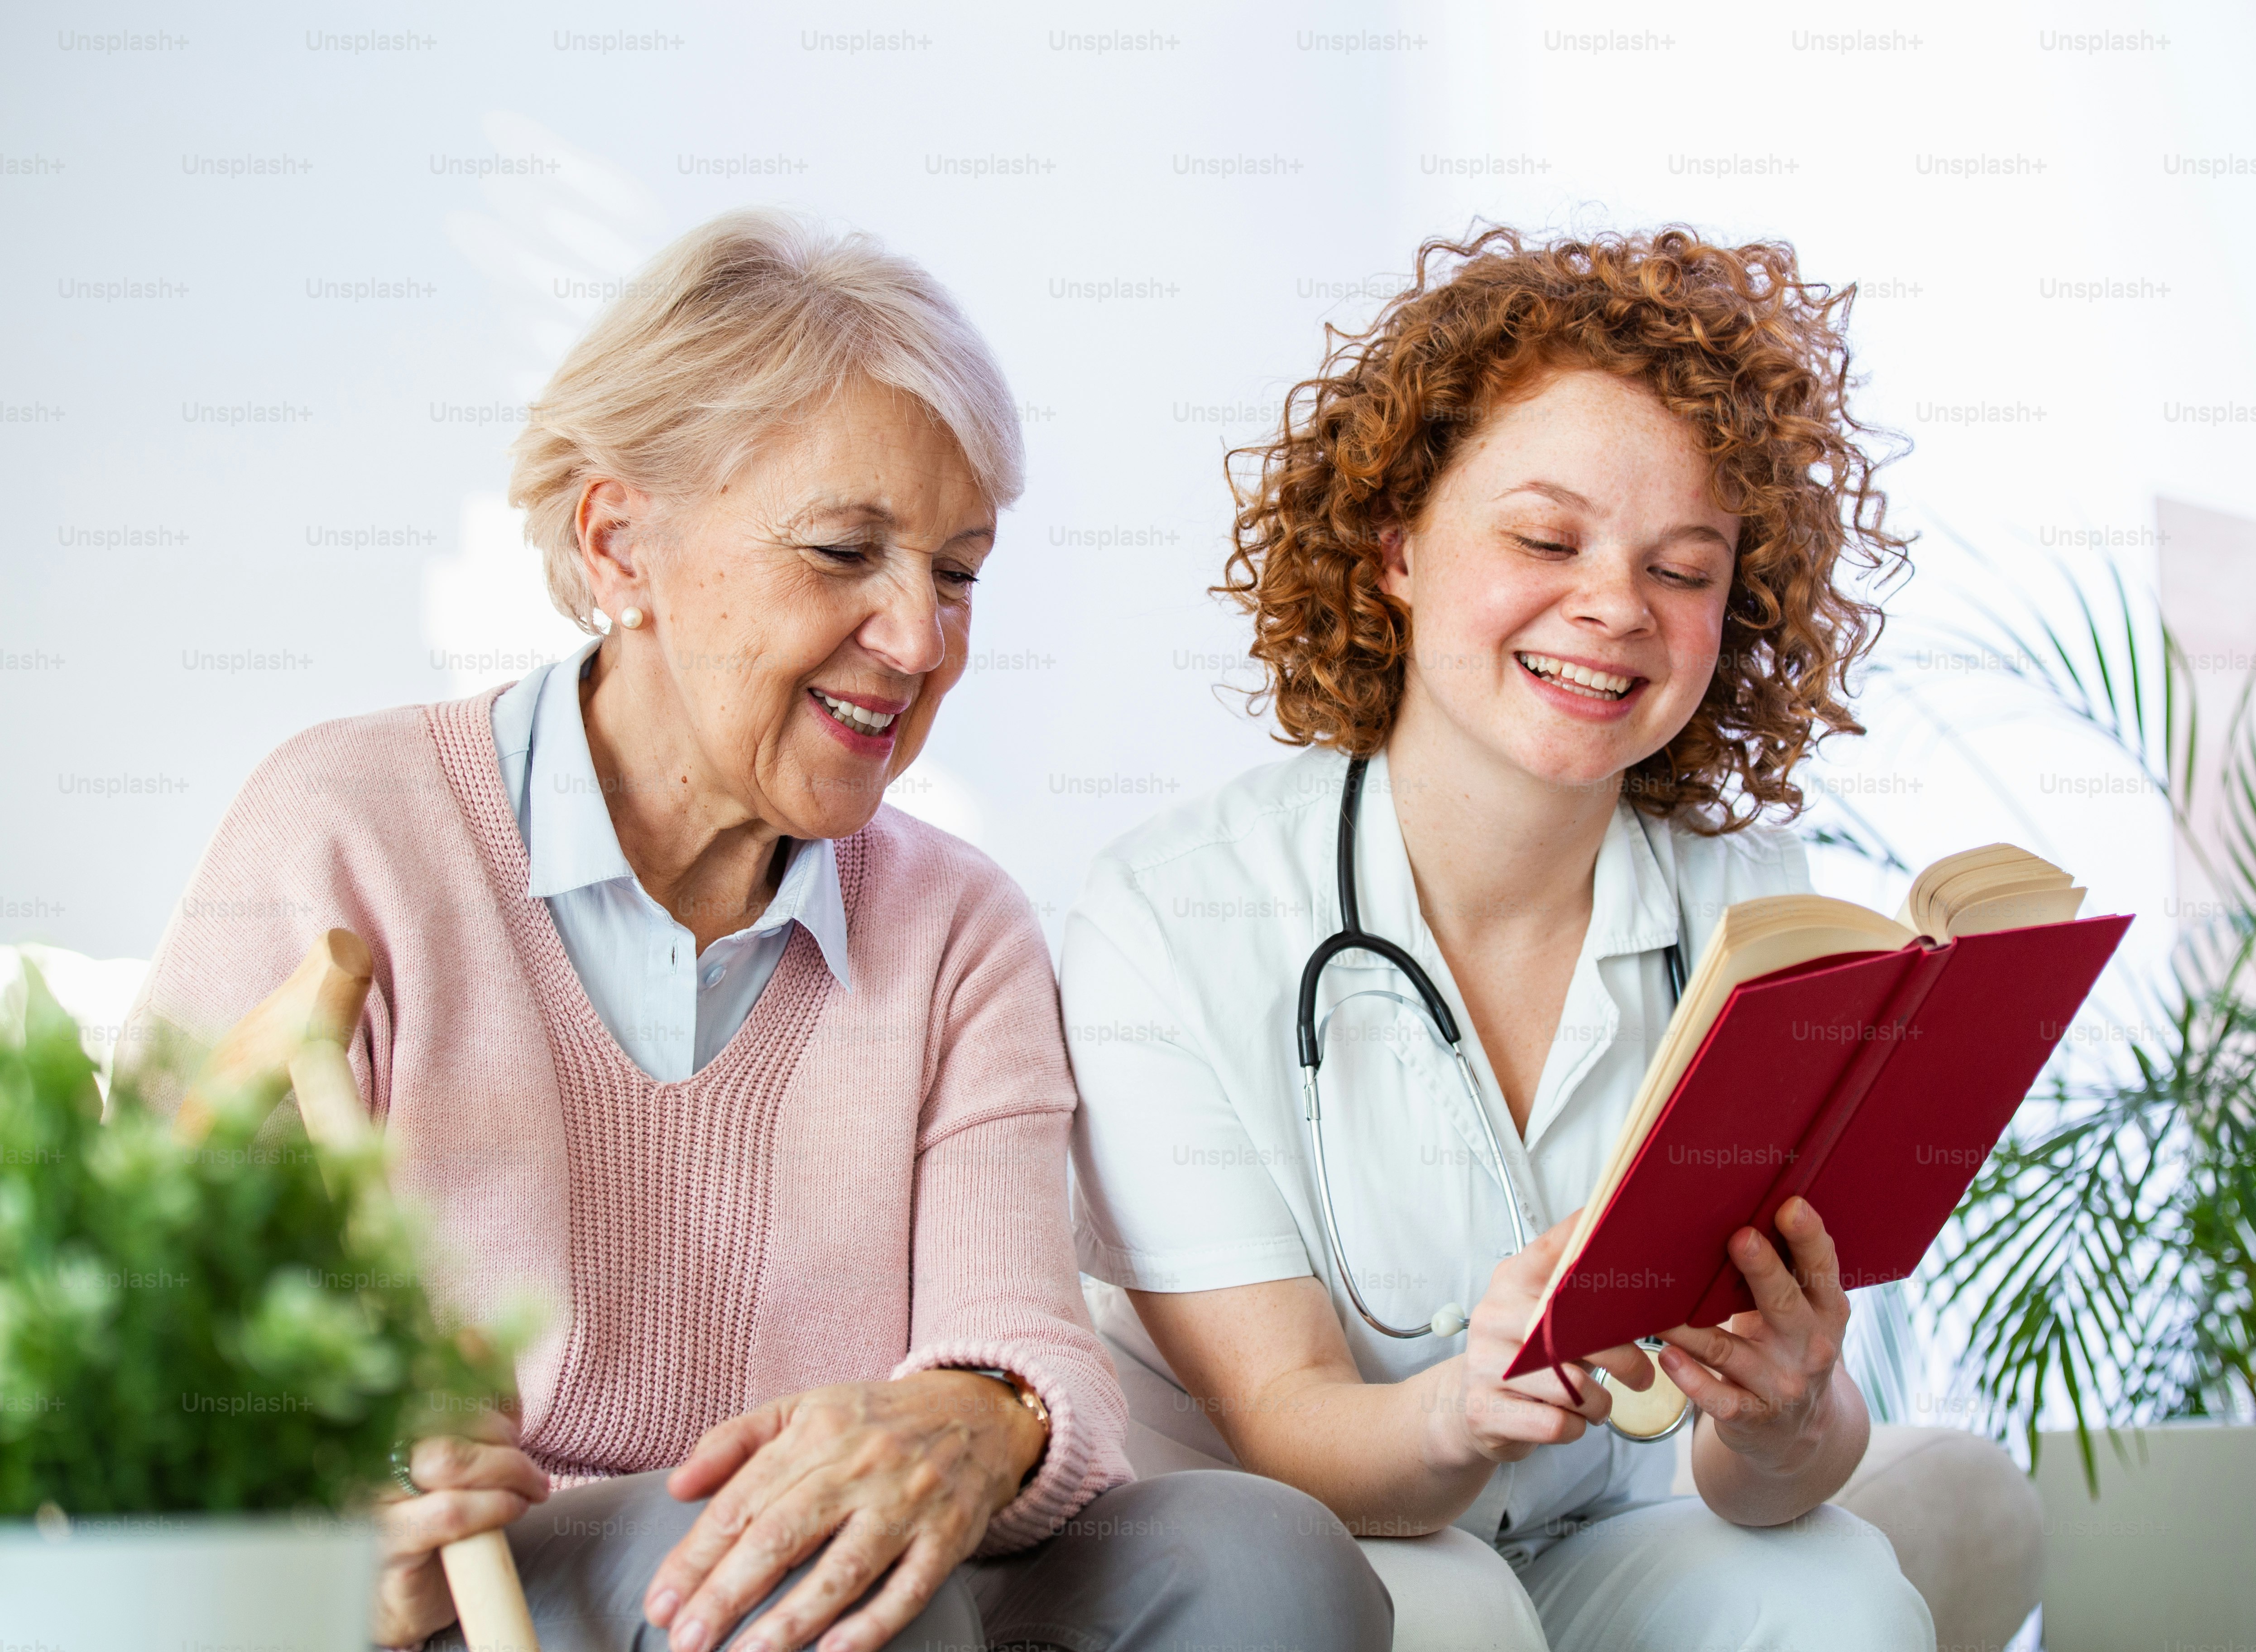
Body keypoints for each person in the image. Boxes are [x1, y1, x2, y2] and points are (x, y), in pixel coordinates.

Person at [127, 210, 1390, 1652]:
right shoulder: (346, 826)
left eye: (959, 570)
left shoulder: (956, 924)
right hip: (508, 1586)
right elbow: (144, 1329)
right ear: (622, 544)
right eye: (847, 550)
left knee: (1266, 1558)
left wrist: (974, 1414)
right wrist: (325, 1524)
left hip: (844, 1571)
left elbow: (1031, 1343)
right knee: (823, 1578)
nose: (920, 642)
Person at [1063, 227, 1935, 1651]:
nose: (1615, 608)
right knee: (1454, 1607)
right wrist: (1466, 1401)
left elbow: (1775, 1479)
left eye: (1687, 567)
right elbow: (1289, 1423)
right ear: (1398, 547)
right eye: (1546, 539)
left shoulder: (1778, 930)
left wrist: (1786, 1412)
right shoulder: (1170, 921)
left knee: (1829, 1589)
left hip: (1596, 1534)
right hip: (1269, 1549)